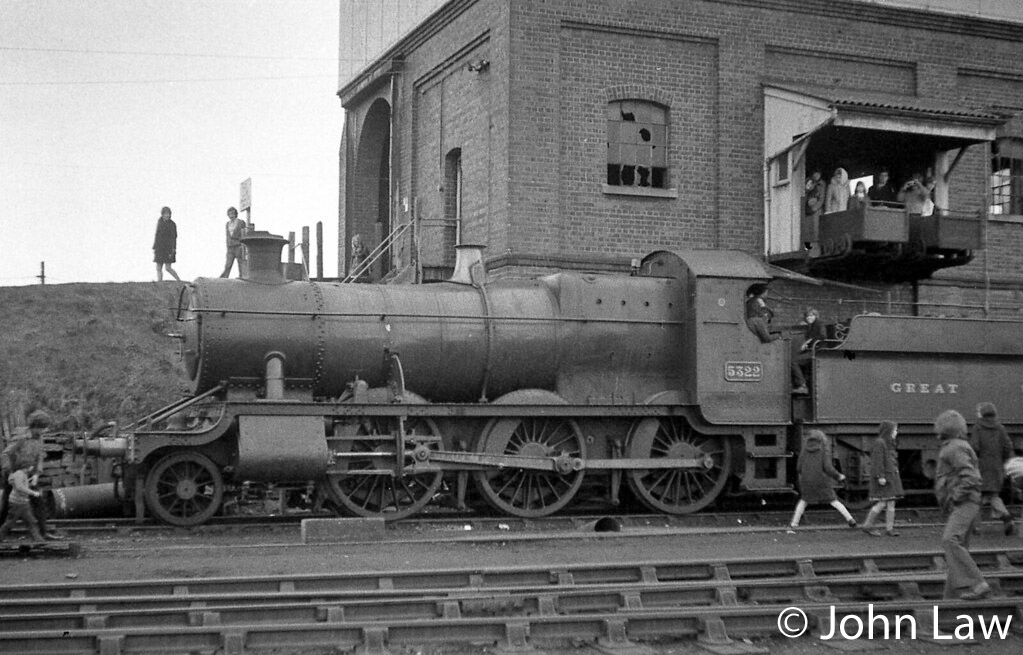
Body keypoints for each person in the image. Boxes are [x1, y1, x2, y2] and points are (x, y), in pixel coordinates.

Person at [934, 409, 990, 600]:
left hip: (964, 502)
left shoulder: (954, 448)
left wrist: (956, 496)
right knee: (956, 551)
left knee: (950, 541)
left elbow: (971, 477)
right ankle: (951, 598)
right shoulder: (958, 445)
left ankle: (977, 583)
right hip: (966, 502)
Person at [0, 410, 60, 540]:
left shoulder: (40, 439)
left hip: (29, 476)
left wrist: (37, 474)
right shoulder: (21, 437)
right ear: (35, 426)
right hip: (14, 476)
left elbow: (40, 457)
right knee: (7, 506)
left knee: (39, 503)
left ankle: (43, 533)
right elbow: (5, 454)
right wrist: (10, 473)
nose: (44, 431)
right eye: (43, 428)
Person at [787, 430, 858, 532]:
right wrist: (838, 476)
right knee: (833, 501)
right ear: (822, 439)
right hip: (821, 481)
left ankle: (793, 524)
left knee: (803, 501)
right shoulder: (823, 450)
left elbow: (798, 467)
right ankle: (850, 519)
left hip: (806, 481)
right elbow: (828, 468)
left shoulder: (804, 450)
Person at [969, 402, 1015, 536]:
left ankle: (976, 527)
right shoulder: (1000, 428)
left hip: (981, 466)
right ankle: (1006, 517)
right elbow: (1007, 446)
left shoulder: (978, 427)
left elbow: (974, 447)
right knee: (993, 496)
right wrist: (1002, 460)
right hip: (996, 467)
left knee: (976, 497)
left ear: (982, 413)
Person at [860, 421, 904, 537]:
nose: (896, 432)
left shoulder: (887, 443)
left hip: (891, 476)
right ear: (888, 431)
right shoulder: (881, 443)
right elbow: (877, 462)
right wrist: (881, 476)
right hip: (887, 477)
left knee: (889, 502)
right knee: (883, 502)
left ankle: (888, 528)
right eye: (894, 430)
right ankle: (869, 525)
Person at [0, 461, 44, 542]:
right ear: (27, 467)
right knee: (9, 523)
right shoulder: (19, 474)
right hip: (17, 503)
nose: (32, 468)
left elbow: (19, 485)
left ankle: (39, 540)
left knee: (31, 521)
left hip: (23, 503)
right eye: (31, 466)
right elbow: (19, 487)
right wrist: (33, 492)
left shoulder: (22, 474)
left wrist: (29, 484)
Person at [152, 206, 180, 282]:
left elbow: (174, 238)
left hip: (168, 249)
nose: (167, 215)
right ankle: (160, 282)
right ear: (162, 214)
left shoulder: (172, 224)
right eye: (165, 214)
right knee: (158, 268)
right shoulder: (159, 222)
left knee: (168, 268)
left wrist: (173, 249)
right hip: (159, 248)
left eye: (168, 214)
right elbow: (157, 234)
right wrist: (155, 247)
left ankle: (179, 280)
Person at [220, 207, 248, 278]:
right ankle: (224, 278)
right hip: (230, 247)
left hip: (238, 246)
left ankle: (242, 277)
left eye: (232, 213)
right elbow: (227, 236)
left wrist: (243, 245)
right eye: (229, 213)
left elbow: (244, 233)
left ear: (235, 214)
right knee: (228, 264)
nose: (231, 215)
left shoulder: (241, 222)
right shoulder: (227, 224)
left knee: (240, 264)